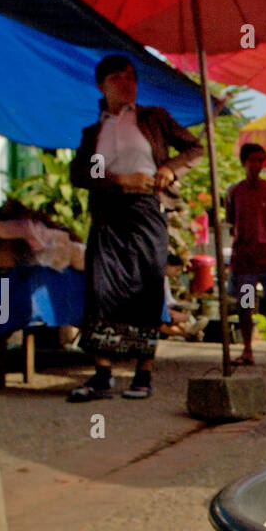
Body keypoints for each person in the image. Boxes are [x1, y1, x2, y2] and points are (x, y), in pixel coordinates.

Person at [68, 54, 203, 400]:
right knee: (101, 288)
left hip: (146, 211)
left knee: (145, 288)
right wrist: (118, 179)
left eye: (131, 77)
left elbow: (193, 147)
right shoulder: (96, 131)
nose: (127, 83)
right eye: (118, 78)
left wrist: (170, 170)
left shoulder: (152, 119)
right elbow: (85, 174)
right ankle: (102, 374)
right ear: (102, 85)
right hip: (108, 214)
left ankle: (143, 375)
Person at [226, 142, 266, 367]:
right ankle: (247, 348)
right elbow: (231, 221)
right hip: (244, 259)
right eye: (252, 160)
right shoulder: (235, 191)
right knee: (246, 305)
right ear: (244, 162)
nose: (257, 165)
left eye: (260, 160)